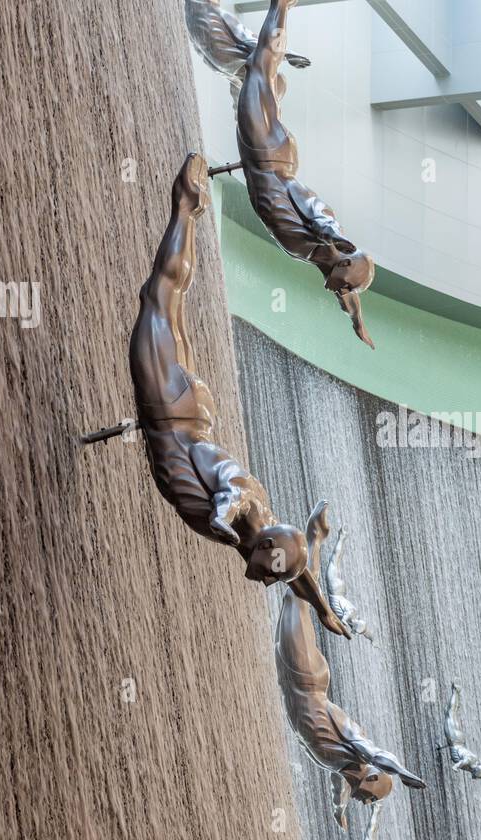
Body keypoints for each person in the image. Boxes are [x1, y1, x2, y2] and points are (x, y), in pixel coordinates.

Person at [128, 153, 345, 636]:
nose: (269, 582)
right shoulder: (247, 508)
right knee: (162, 298)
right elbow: (234, 484)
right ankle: (186, 207)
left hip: (187, 412)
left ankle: (188, 210)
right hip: (168, 408)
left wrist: (324, 609)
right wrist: (224, 511)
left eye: (274, 574)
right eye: (273, 572)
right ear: (268, 546)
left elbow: (300, 571)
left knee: (171, 303)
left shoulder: (266, 533)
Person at [274, 502, 425, 829]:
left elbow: (337, 784)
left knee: (298, 596)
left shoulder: (341, 766)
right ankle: (314, 536)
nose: (366, 802)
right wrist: (404, 774)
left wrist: (338, 811)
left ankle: (313, 538)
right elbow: (378, 754)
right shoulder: (357, 744)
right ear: (370, 778)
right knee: (296, 596)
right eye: (371, 797)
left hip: (293, 680)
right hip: (305, 677)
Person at [236, 0, 377, 348]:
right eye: (346, 284)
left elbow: (347, 294)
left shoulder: (324, 261)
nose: (342, 292)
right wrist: (328, 228)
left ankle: (277, 67)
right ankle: (281, 6)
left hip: (263, 161)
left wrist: (358, 320)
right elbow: (302, 195)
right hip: (268, 154)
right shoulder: (327, 231)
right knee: (260, 70)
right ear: (344, 259)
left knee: (266, 81)